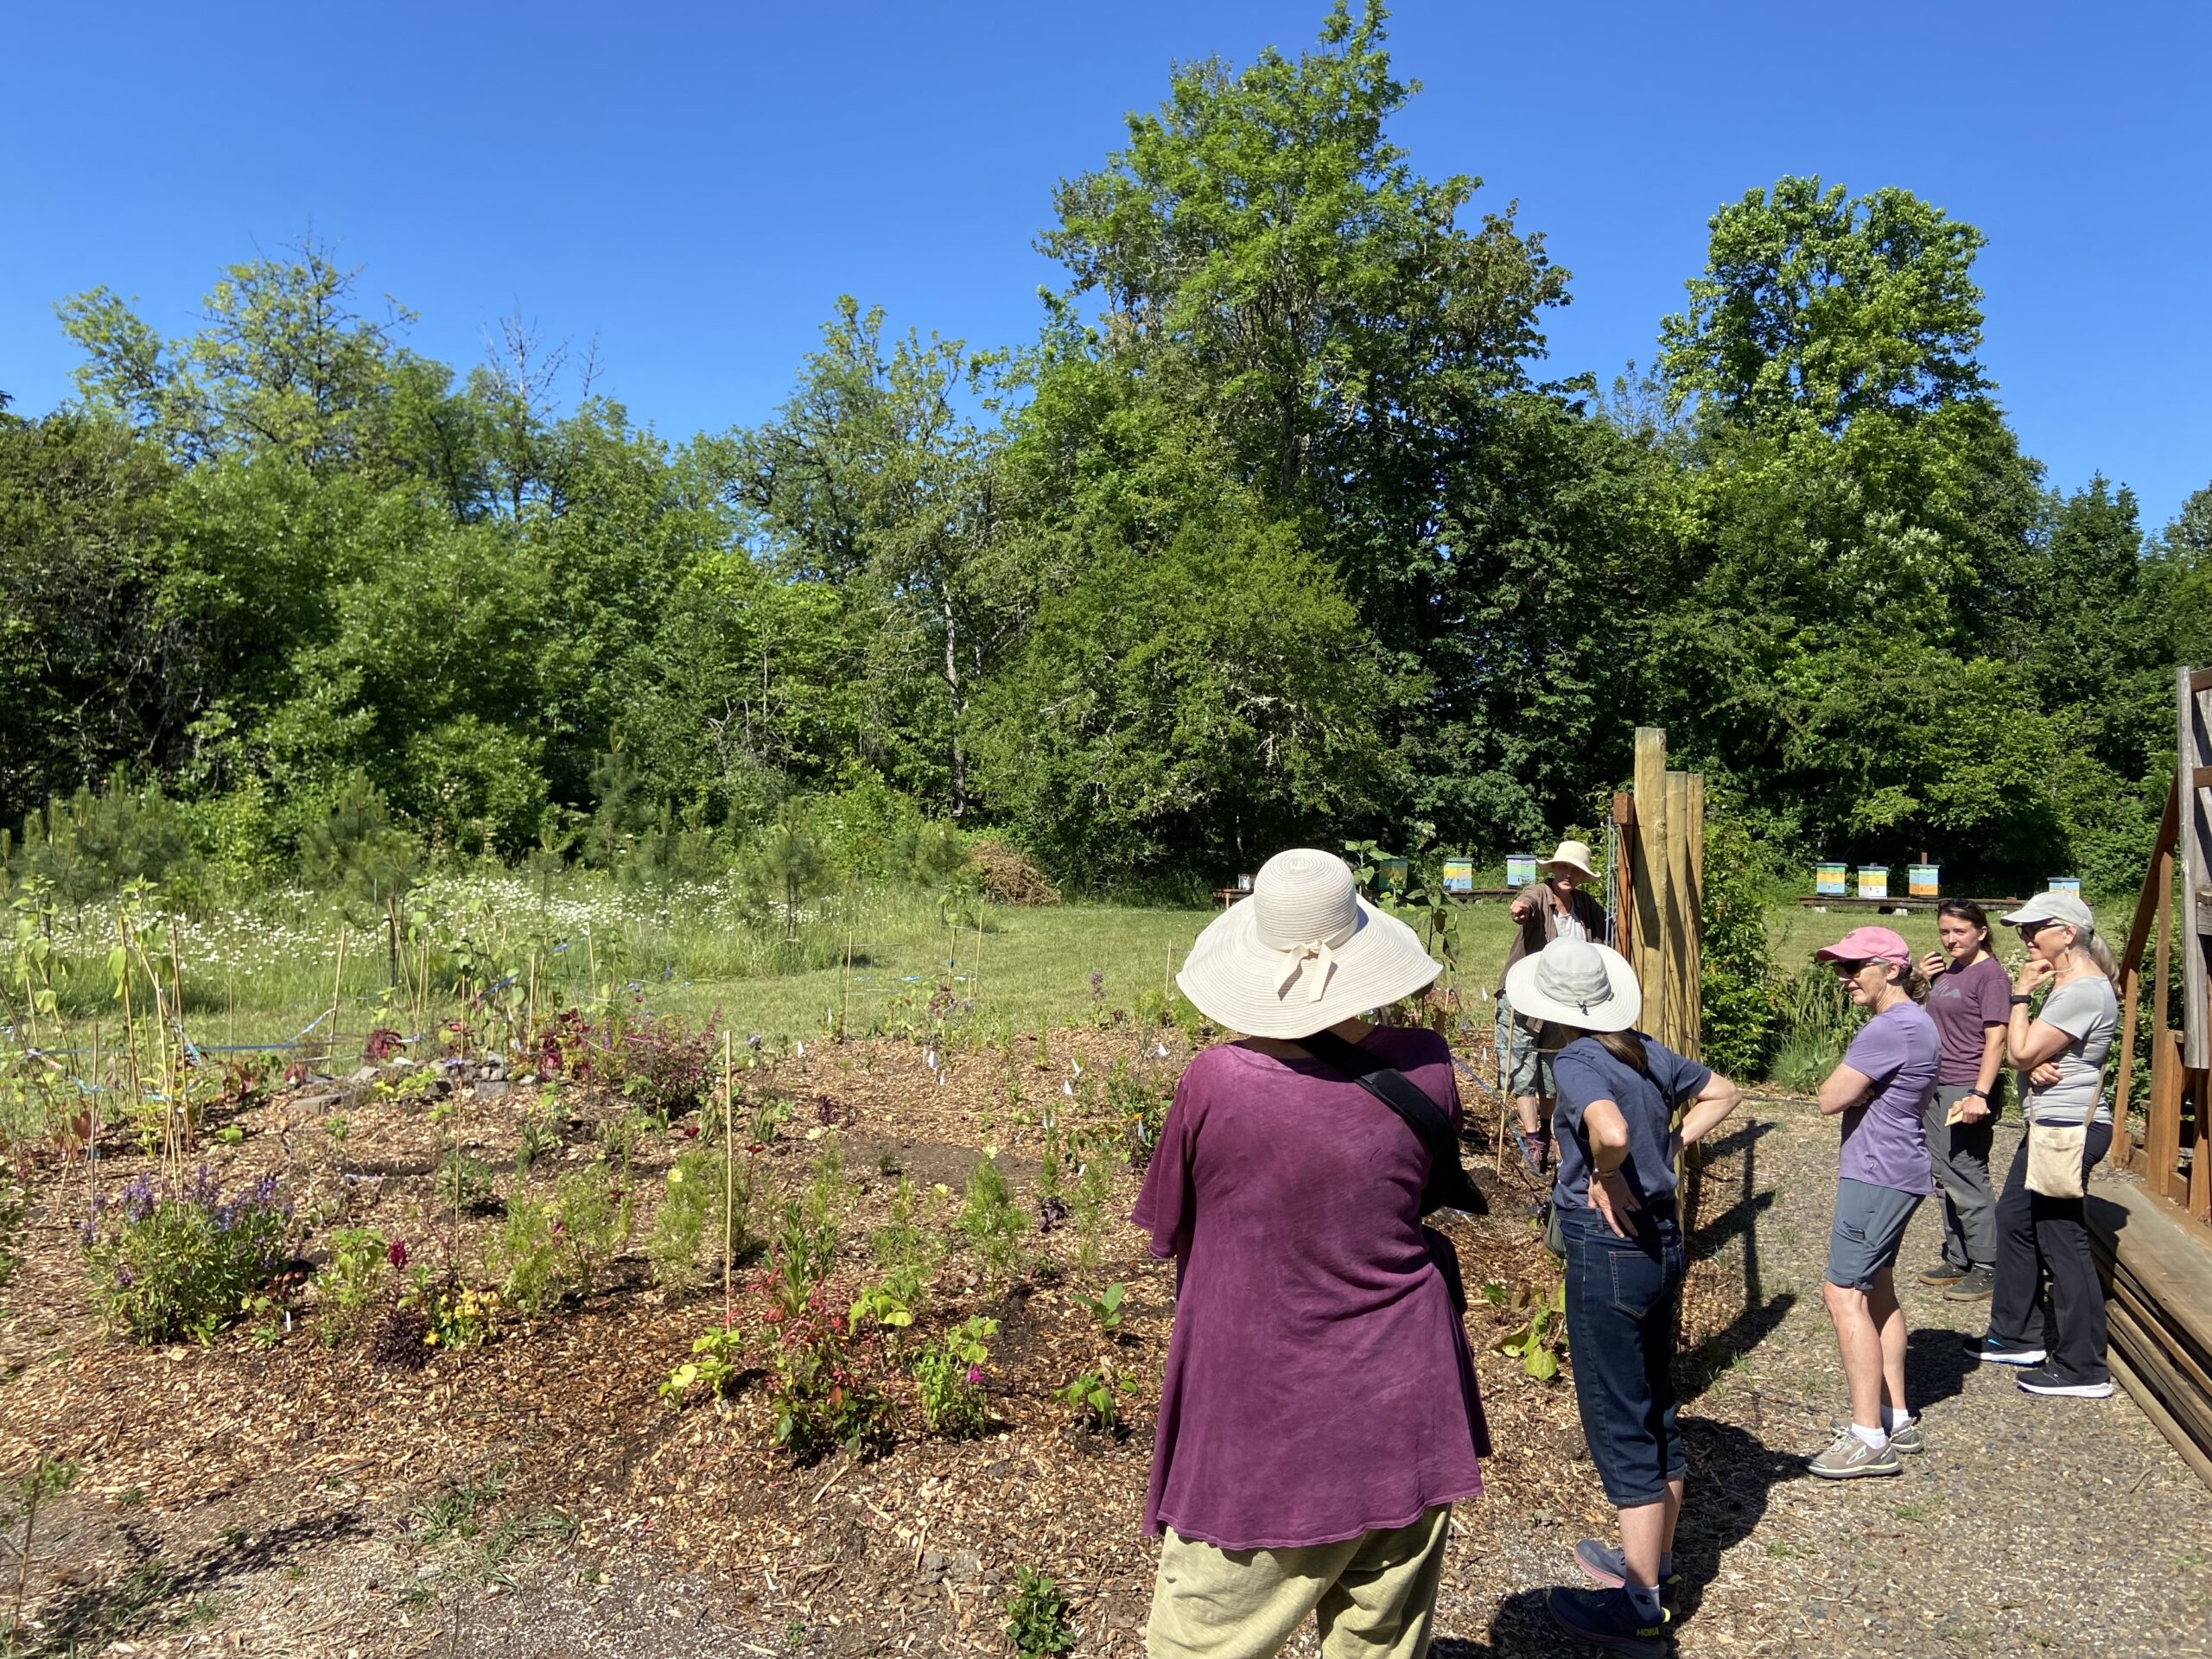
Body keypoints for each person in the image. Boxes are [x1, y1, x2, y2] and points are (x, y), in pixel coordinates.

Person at [1135, 848, 1490, 1659]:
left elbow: (1168, 1229)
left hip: (1263, 1425)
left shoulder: (1216, 1082)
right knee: (1381, 1640)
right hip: (1407, 1401)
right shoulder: (1428, 1065)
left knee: (1200, 1643)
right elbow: (1415, 1195)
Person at [1504, 938, 1743, 1657]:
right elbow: (1726, 1092)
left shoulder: (1577, 1060)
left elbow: (1607, 1130)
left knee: (1618, 1418)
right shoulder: (1645, 1050)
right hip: (1662, 1242)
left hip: (1608, 1250)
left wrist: (1609, 1173)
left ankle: (1639, 1606)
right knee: (1656, 1404)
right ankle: (1653, 1563)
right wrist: (1666, 1146)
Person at [1965, 891, 2121, 1397]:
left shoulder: (2082, 990)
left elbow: (2019, 1051)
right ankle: (2016, 1337)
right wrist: (2033, 1062)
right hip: (2050, 1125)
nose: (2025, 937)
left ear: (2068, 933)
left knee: (2062, 1241)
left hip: (2068, 1130)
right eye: (2022, 929)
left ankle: (2083, 1368)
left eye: (2035, 929)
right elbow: (2035, 1054)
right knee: (2014, 1219)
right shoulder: (2069, 984)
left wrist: (2020, 999)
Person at [1808, 926, 1938, 1480]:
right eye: (1840, 968)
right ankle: (1895, 1415)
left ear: (1892, 968)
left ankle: (1867, 1438)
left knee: (1843, 1293)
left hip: (1877, 1173)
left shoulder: (1889, 1028)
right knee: (1877, 1285)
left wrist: (1857, 1089)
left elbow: (1828, 1098)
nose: (1845, 978)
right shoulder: (1918, 1022)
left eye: (1854, 967)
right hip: (1899, 1170)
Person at [1915, 900, 2011, 1300]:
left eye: (1960, 931)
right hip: (1938, 1084)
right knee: (1942, 1174)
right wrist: (1920, 978)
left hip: (1966, 1086)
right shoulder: (1952, 969)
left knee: (1966, 1173)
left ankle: (1990, 1265)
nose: (1951, 939)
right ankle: (1960, 1257)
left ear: (1982, 932)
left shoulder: (1991, 977)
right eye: (1945, 931)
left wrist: (1979, 1094)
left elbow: (1997, 1040)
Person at [1497, 839, 1609, 1173]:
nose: (1568, 873)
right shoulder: (1540, 893)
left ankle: (1546, 1134)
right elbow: (1528, 901)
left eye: (1575, 870)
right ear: (1554, 868)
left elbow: (1608, 933)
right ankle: (1533, 1141)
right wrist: (1520, 907)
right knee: (1522, 1067)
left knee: (1551, 1070)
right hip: (1524, 997)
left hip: (1562, 1003)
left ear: (1582, 876)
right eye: (1563, 867)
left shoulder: (1585, 906)